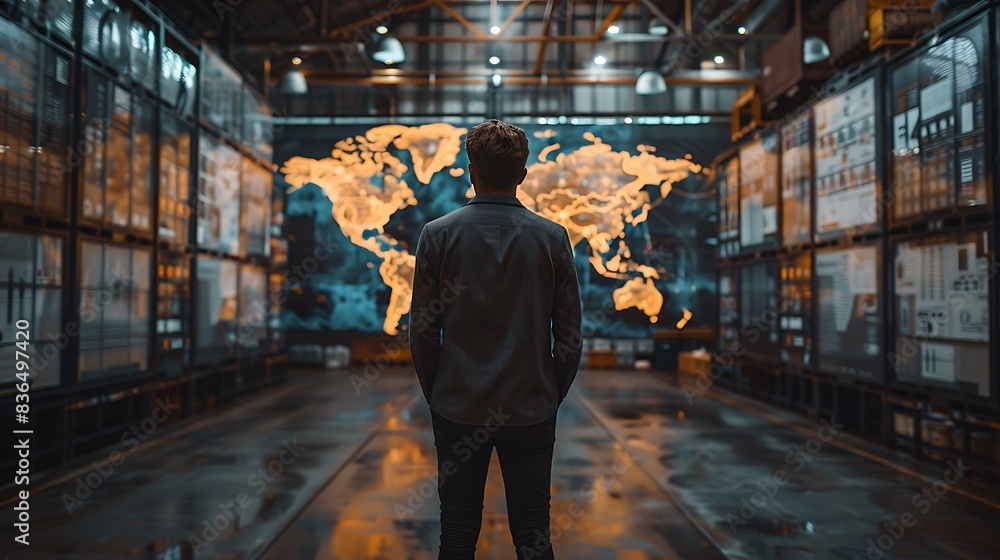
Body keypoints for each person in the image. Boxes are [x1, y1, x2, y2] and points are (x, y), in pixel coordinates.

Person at [409, 119, 583, 560]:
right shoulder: (553, 238)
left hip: (457, 404)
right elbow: (569, 336)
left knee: (457, 532)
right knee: (532, 532)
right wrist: (548, 393)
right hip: (530, 406)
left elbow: (424, 331)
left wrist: (440, 390)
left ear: (471, 170)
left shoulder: (438, 235)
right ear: (523, 174)